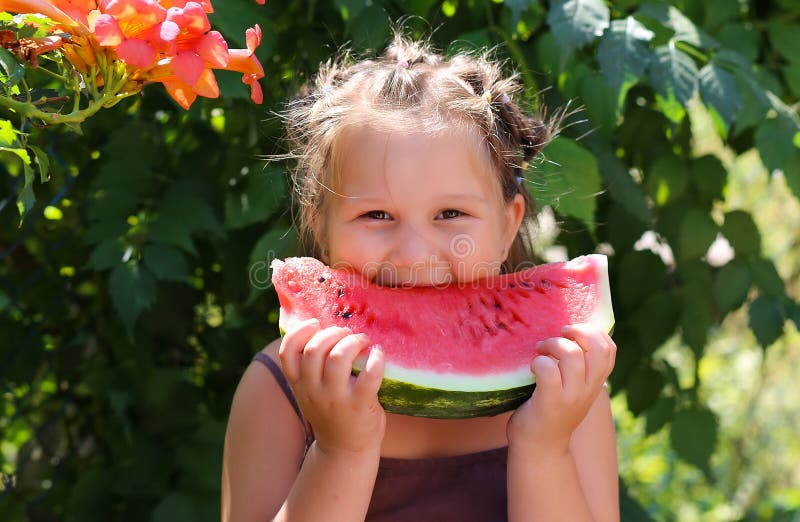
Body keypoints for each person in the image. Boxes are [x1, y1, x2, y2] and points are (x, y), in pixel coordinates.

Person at [221, 33, 618, 522]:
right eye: (376, 215)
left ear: (508, 224)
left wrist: (545, 447)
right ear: (318, 222)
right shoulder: (281, 389)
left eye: (450, 213)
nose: (413, 255)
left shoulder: (568, 385)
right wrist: (340, 452)